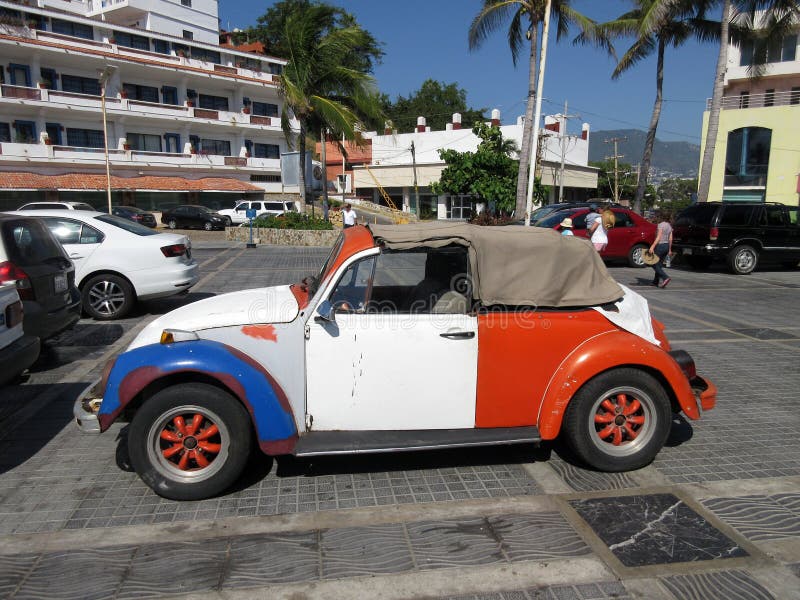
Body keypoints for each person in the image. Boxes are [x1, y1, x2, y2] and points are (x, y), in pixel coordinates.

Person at [649, 212, 673, 288]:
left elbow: (658, 237)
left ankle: (665, 277)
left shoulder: (661, 225)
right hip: (666, 246)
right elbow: (670, 239)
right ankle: (655, 281)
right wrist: (669, 249)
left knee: (653, 263)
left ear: (661, 217)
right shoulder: (669, 226)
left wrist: (652, 246)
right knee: (659, 264)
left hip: (660, 246)